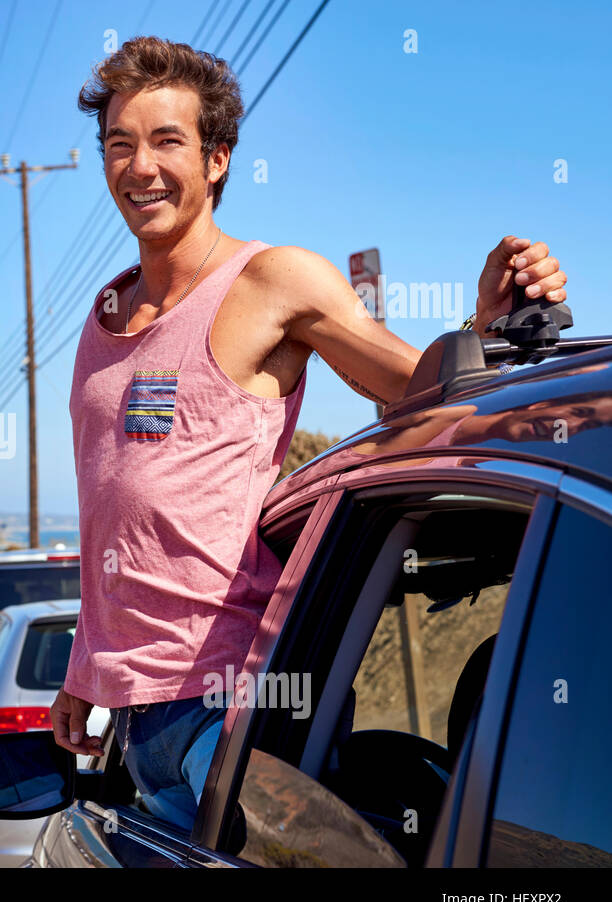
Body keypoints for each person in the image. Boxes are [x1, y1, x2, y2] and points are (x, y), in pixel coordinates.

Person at [49, 36, 568, 834]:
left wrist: (483, 328)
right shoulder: (103, 318)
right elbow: (110, 513)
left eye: (167, 142)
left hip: (232, 709)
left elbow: (419, 389)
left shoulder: (272, 282)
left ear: (218, 159)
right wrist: (87, 667)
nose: (139, 166)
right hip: (137, 729)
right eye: (119, 144)